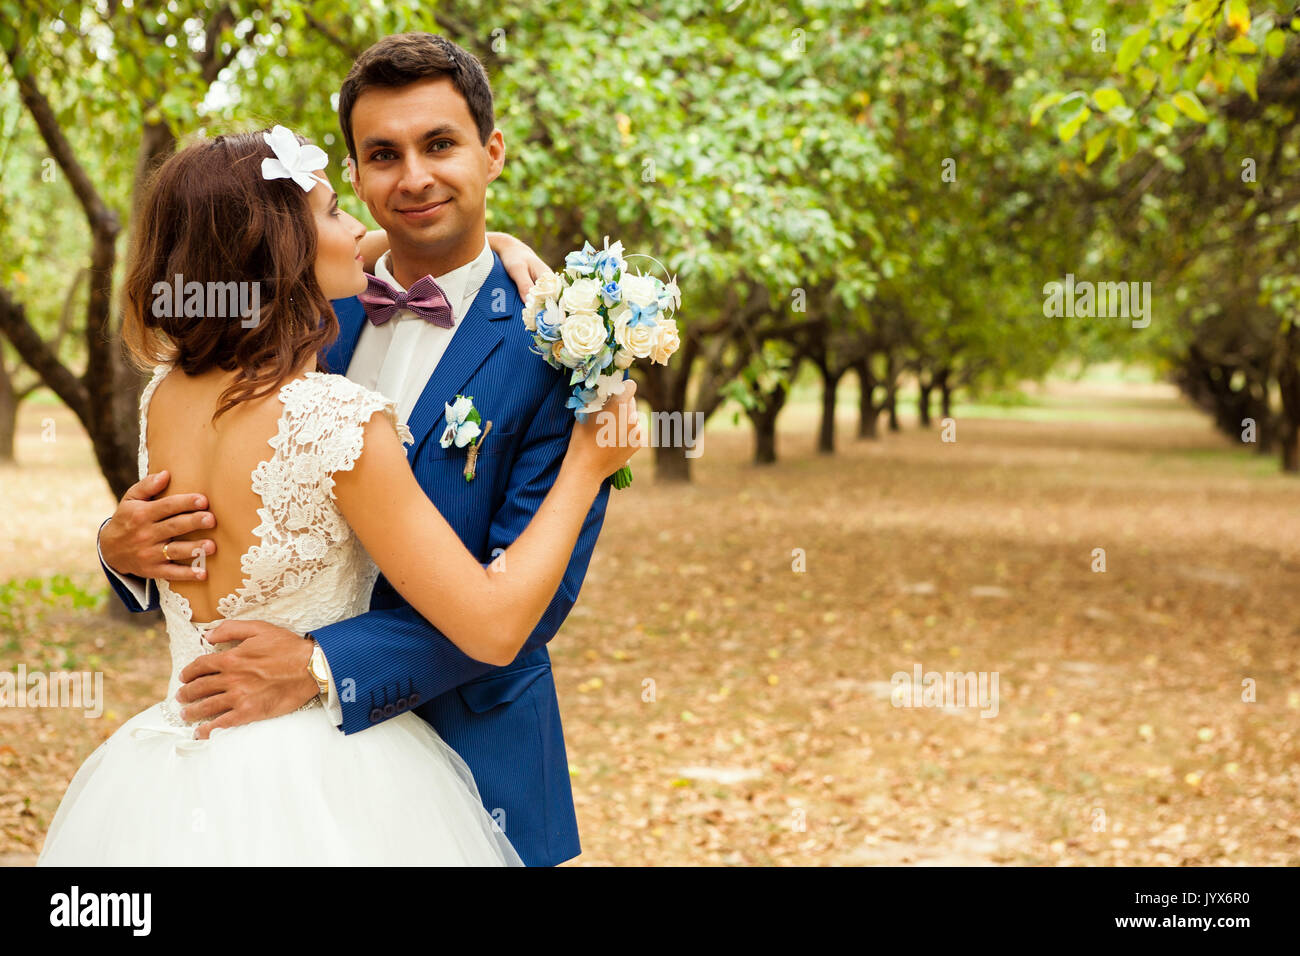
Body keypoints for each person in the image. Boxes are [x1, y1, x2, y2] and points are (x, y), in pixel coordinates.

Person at [39, 116, 642, 865]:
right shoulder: (336, 415)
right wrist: (588, 467)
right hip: (335, 777)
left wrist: (503, 251)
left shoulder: (166, 393)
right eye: (334, 208)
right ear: (284, 249)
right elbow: (492, 623)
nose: (358, 226)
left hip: (175, 767)